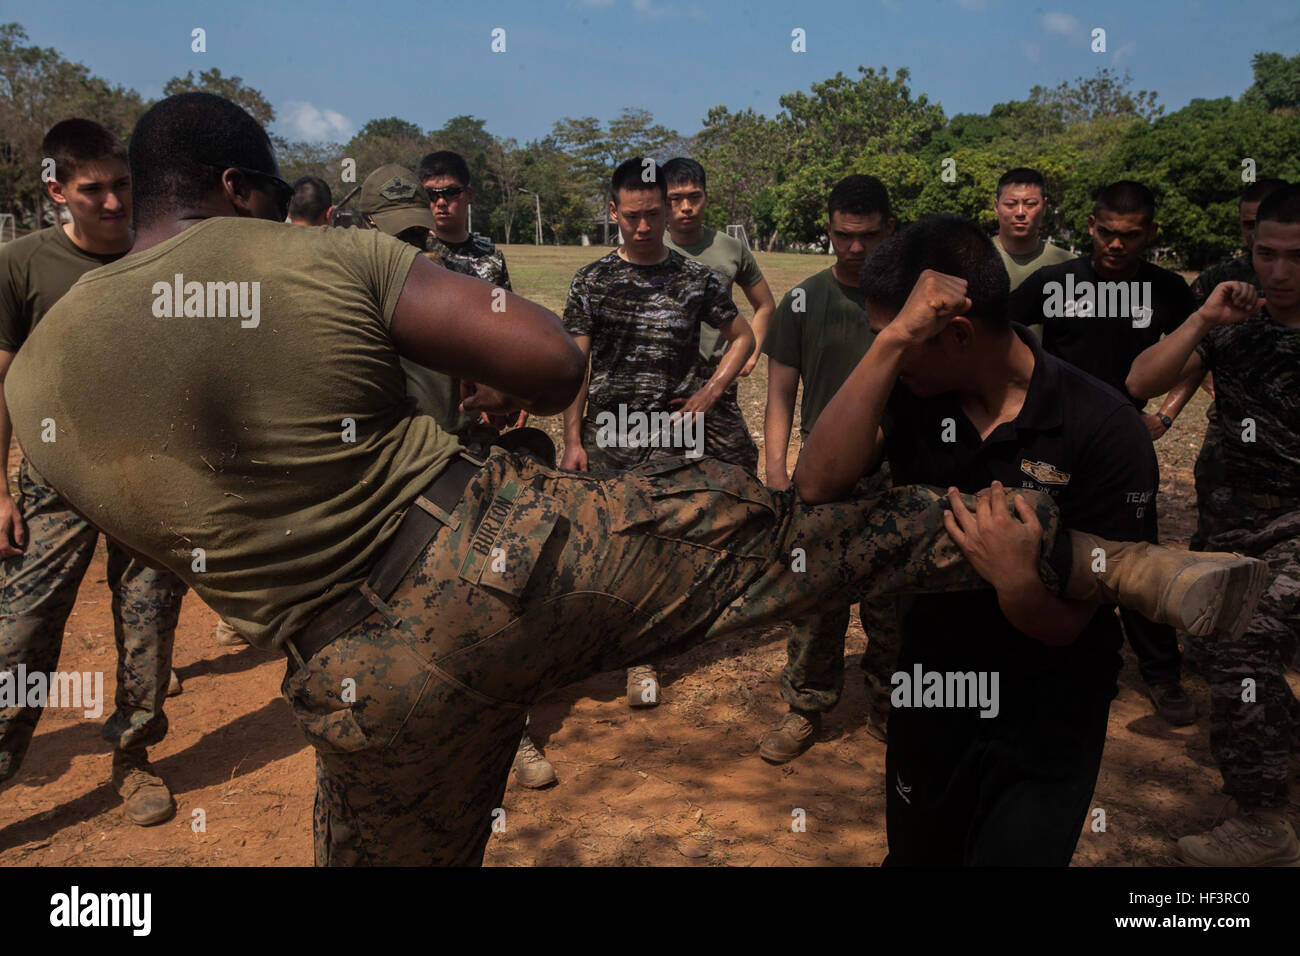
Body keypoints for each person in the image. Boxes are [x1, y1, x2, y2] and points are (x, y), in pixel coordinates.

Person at [5, 93, 1267, 866]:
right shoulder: (309, 252)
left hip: (348, 671)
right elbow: (550, 363)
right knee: (796, 537)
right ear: (238, 187)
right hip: (496, 555)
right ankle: (1125, 559)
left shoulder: (40, 375)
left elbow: (167, 532)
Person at [794, 213, 1228, 865]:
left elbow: (1076, 620)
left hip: (1049, 705)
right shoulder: (911, 385)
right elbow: (817, 484)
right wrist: (891, 346)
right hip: (933, 683)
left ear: (958, 333)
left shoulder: (1105, 428)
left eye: (898, 338)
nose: (886, 352)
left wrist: (1019, 585)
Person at [0, 118, 188, 826]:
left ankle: (134, 758)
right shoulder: (22, 266)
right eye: (92, 190)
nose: (113, 203)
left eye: (122, 185)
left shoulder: (163, 255)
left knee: (147, 631)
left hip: (148, 480)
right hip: (55, 482)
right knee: (18, 634)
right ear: (57, 190)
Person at [359, 162, 555, 790]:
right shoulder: (338, 291)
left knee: (487, 595)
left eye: (419, 236)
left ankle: (511, 731)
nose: (412, 249)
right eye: (398, 237)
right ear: (364, 229)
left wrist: (497, 387)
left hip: (456, 461)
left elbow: (493, 349)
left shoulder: (449, 279)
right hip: (375, 476)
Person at [1128, 183, 1300, 866]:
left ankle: (1263, 827)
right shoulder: (1234, 318)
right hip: (1232, 525)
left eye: (1297, 257)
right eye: (1267, 254)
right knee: (1224, 648)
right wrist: (1203, 321)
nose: (1280, 272)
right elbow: (1141, 379)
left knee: (1246, 642)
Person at [560, 157, 756, 708]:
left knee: (662, 540)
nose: (643, 227)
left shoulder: (696, 280)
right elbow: (577, 368)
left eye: (653, 214)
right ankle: (599, 643)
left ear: (668, 209)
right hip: (610, 432)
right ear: (613, 211)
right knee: (607, 539)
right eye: (632, 216)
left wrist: (709, 393)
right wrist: (573, 440)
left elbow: (741, 337)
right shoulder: (592, 280)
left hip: (671, 429)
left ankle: (642, 656)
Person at [1009, 181, 1198, 726]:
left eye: (1130, 236)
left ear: (1150, 234)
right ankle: (1063, 665)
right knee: (1050, 548)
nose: (1116, 245)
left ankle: (1162, 674)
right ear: (1091, 226)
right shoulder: (1054, 282)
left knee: (1137, 552)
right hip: (1056, 442)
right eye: (1107, 233)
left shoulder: (1167, 290)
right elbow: (1003, 335)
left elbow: (1199, 353)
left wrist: (1164, 414)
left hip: (1127, 447)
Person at [758, 174, 898, 760]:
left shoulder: (910, 299)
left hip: (898, 471)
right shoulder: (802, 301)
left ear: (888, 229)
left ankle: (894, 709)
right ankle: (806, 707)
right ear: (830, 230)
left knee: (897, 599)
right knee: (816, 599)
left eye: (867, 236)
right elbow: (781, 394)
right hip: (821, 473)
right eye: (844, 236)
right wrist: (775, 466)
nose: (855, 249)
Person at [1186, 178, 1289, 554]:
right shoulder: (1222, 280)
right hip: (1235, 430)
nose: (1280, 272)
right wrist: (1168, 413)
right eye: (1249, 225)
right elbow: (1185, 352)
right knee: (1218, 537)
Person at [417, 151, 510, 288]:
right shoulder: (411, 251)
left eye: (451, 193)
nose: (441, 202)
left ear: (469, 195)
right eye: (431, 194)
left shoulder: (492, 257)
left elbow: (502, 307)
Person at [991, 167, 1071, 291]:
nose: (1020, 212)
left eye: (1030, 204)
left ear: (1044, 207)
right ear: (996, 207)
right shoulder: (971, 259)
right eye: (1010, 204)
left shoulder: (1068, 265)